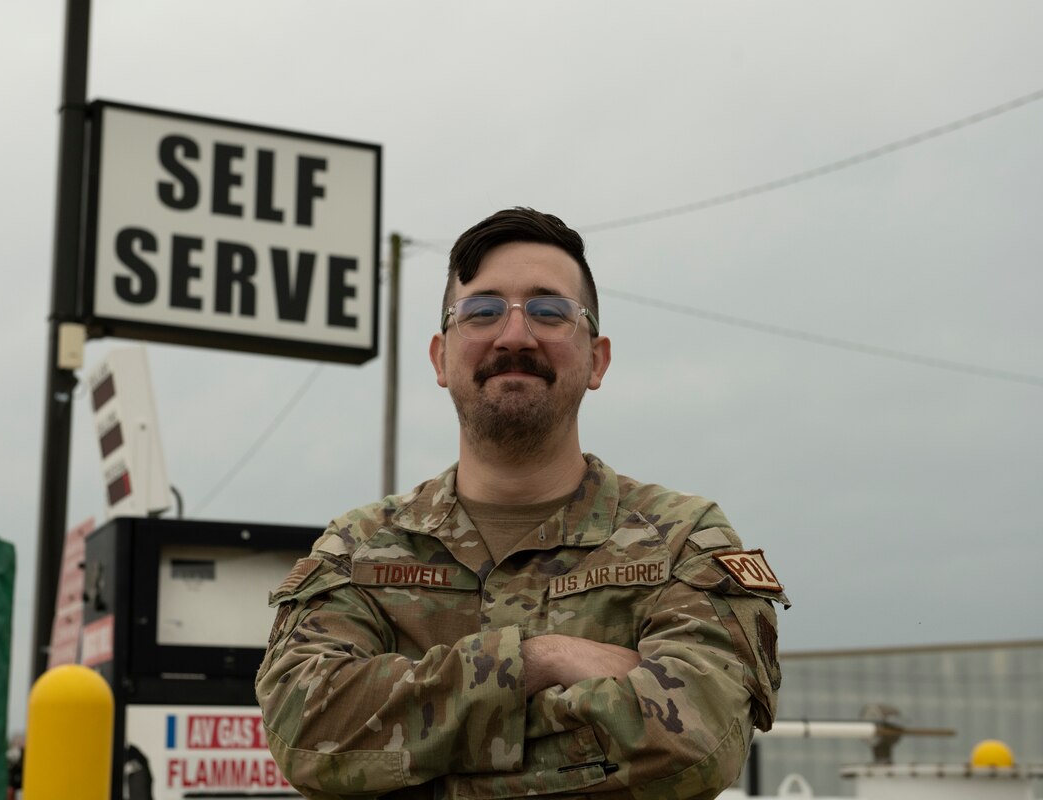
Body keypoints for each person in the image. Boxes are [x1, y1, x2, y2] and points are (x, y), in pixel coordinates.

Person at [256, 207, 790, 800]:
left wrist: (413, 757)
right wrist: (542, 660)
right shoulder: (360, 547)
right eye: (482, 311)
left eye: (549, 311)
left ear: (598, 359)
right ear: (439, 357)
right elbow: (305, 730)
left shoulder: (682, 539)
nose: (514, 335)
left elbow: (694, 745)